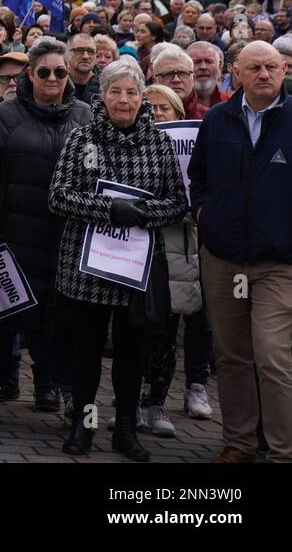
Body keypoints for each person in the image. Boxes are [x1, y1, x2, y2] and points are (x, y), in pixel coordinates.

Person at [49, 58, 188, 460]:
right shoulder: (82, 139)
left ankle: (126, 431)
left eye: (131, 92)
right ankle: (84, 426)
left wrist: (142, 214)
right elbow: (58, 197)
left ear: (142, 96)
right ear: (102, 95)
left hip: (137, 269)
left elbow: (177, 203)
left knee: (131, 356)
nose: (123, 100)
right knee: (86, 355)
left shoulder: (159, 142)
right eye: (115, 91)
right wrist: (109, 209)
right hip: (86, 267)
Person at [0, 39, 92, 420]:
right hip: (6, 239)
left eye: (60, 72)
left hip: (63, 243)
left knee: (59, 325)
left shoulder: (86, 118)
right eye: (43, 71)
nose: (52, 78)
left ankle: (60, 393)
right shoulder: (2, 117)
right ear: (30, 74)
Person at [190, 40, 292, 462]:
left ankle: (283, 450)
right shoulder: (218, 118)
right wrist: (204, 217)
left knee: (272, 355)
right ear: (236, 72)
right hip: (226, 261)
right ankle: (239, 443)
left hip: (278, 264)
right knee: (232, 354)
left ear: (284, 70)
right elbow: (199, 178)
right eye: (255, 67)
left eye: (272, 66)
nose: (264, 74)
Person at [138, 84, 213, 437]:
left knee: (166, 329)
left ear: (178, 116)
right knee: (137, 330)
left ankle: (157, 404)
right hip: (139, 246)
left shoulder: (193, 149)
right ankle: (132, 404)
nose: (156, 114)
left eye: (163, 109)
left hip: (178, 249)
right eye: (149, 108)